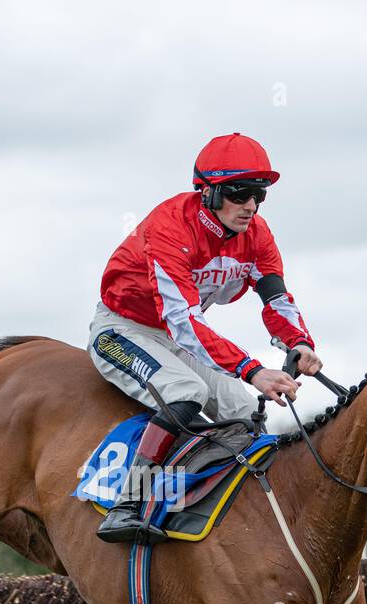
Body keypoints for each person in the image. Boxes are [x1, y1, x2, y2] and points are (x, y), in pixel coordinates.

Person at [88, 132, 323, 543]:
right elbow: (184, 322)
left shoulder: (258, 235)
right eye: (241, 193)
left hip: (176, 335)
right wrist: (252, 369)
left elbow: (276, 298)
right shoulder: (169, 227)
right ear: (209, 192)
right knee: (185, 391)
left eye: (260, 195)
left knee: (240, 408)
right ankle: (129, 504)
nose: (251, 205)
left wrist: (299, 343)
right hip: (122, 329)